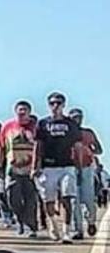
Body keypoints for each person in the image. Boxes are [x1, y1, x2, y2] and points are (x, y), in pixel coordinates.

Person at [33, 92, 80, 244]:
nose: (55, 106)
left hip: (67, 165)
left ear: (63, 105)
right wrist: (35, 166)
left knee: (67, 198)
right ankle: (53, 225)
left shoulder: (70, 124)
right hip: (48, 166)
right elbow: (38, 145)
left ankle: (67, 231)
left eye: (58, 103)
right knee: (49, 199)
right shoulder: (43, 123)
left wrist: (78, 166)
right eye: (52, 103)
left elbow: (77, 145)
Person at [0, 101, 39, 236]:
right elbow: (1, 146)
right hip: (12, 169)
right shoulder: (8, 127)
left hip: (30, 170)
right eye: (20, 110)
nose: (22, 112)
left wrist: (38, 165)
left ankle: (30, 227)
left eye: (25, 110)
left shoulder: (35, 127)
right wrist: (0, 164)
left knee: (30, 199)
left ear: (29, 112)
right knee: (12, 197)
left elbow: (41, 147)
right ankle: (19, 220)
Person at [68, 107, 102, 239]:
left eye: (78, 117)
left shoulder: (88, 133)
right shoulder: (67, 134)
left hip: (87, 168)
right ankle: (78, 229)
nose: (77, 120)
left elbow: (99, 149)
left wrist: (89, 150)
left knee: (88, 198)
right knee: (74, 200)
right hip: (71, 167)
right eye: (74, 118)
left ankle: (91, 221)